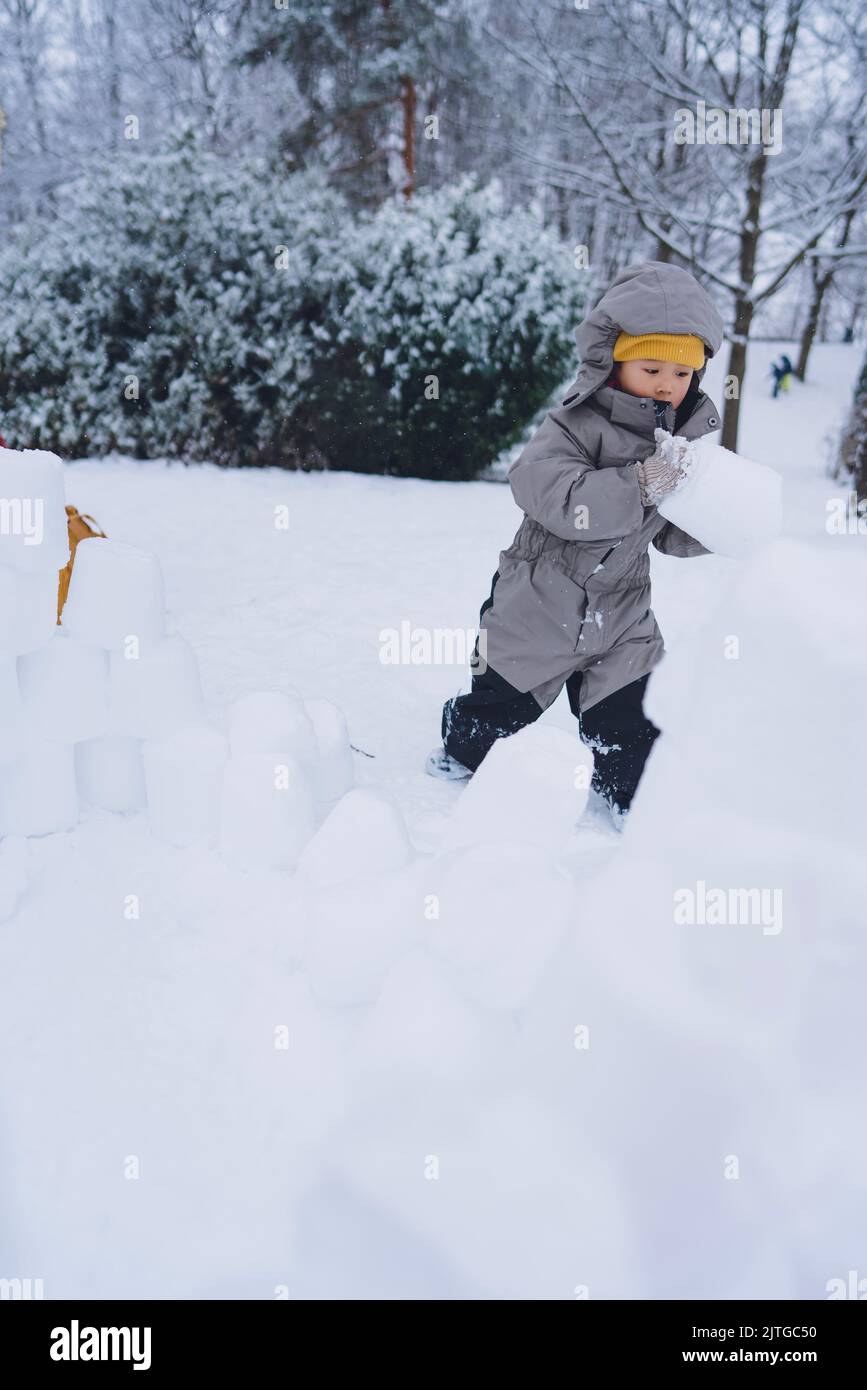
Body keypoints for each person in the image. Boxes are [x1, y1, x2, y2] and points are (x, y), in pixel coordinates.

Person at [427, 259, 725, 823]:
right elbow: (549, 493)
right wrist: (637, 484)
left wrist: (716, 522)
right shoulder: (573, 423)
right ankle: (461, 739)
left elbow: (669, 536)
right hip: (538, 603)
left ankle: (635, 804)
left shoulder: (678, 444)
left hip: (625, 614)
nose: (668, 384)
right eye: (653, 366)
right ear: (615, 359)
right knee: (493, 722)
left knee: (634, 727)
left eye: (683, 374)